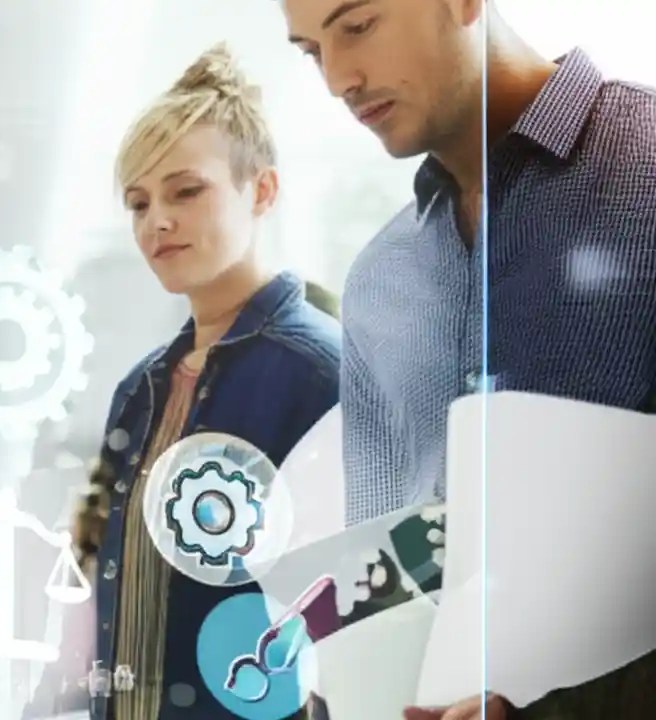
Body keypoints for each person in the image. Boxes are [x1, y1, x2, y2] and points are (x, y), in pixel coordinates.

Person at [282, 0, 656, 717]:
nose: (337, 78)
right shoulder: (379, 283)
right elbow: (390, 569)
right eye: (310, 51)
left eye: (357, 26)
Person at [72, 43, 340, 719]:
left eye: (186, 191)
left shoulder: (325, 373)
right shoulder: (139, 390)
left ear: (264, 191)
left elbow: (355, 601)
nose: (156, 220)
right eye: (138, 203)